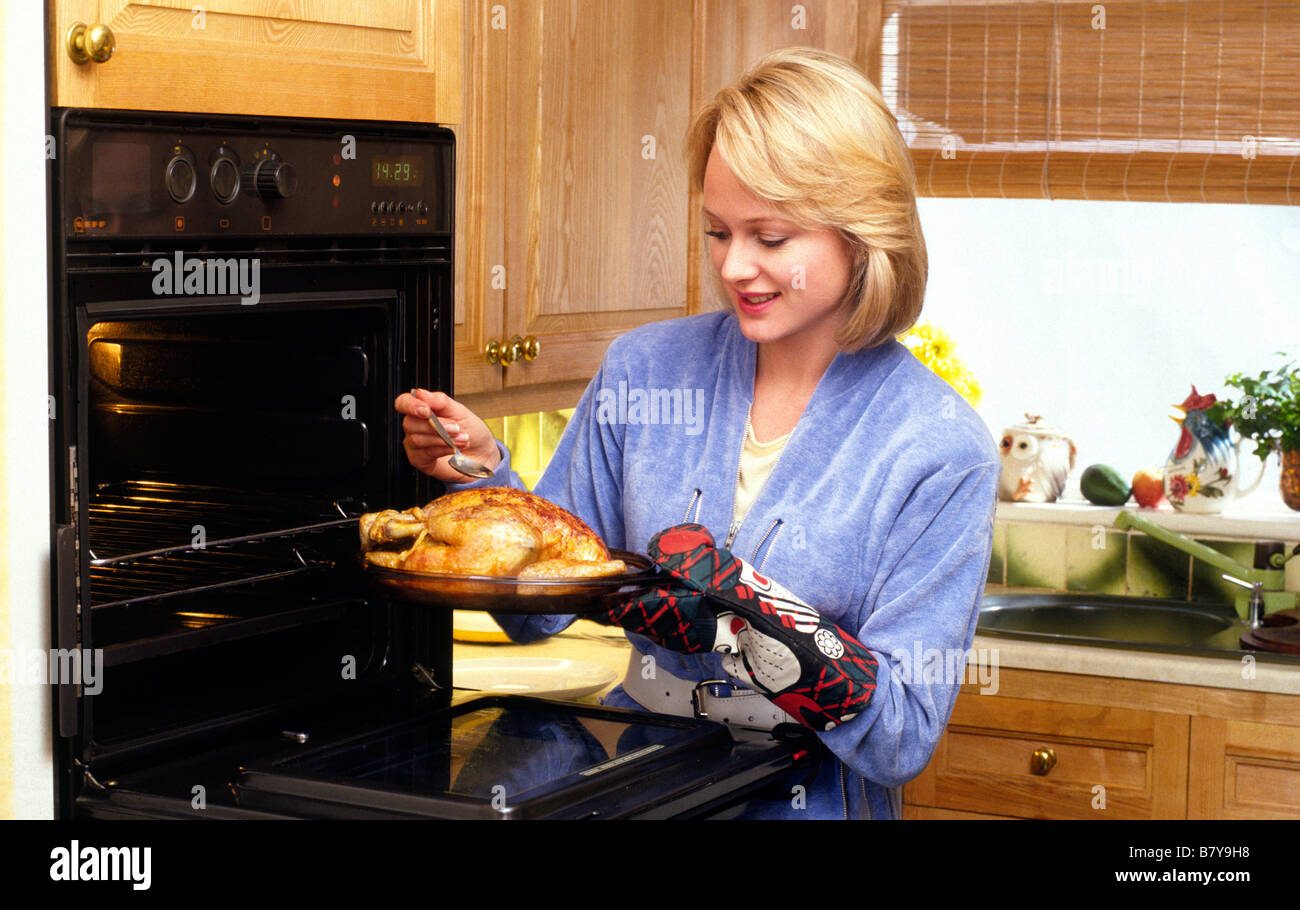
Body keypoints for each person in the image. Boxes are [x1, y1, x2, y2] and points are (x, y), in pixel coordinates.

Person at [395, 47, 999, 819]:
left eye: (770, 237)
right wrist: (486, 485)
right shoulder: (644, 371)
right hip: (640, 784)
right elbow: (537, 611)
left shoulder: (939, 446)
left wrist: (743, 619)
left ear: (861, 230)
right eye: (718, 231)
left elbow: (902, 738)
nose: (735, 265)